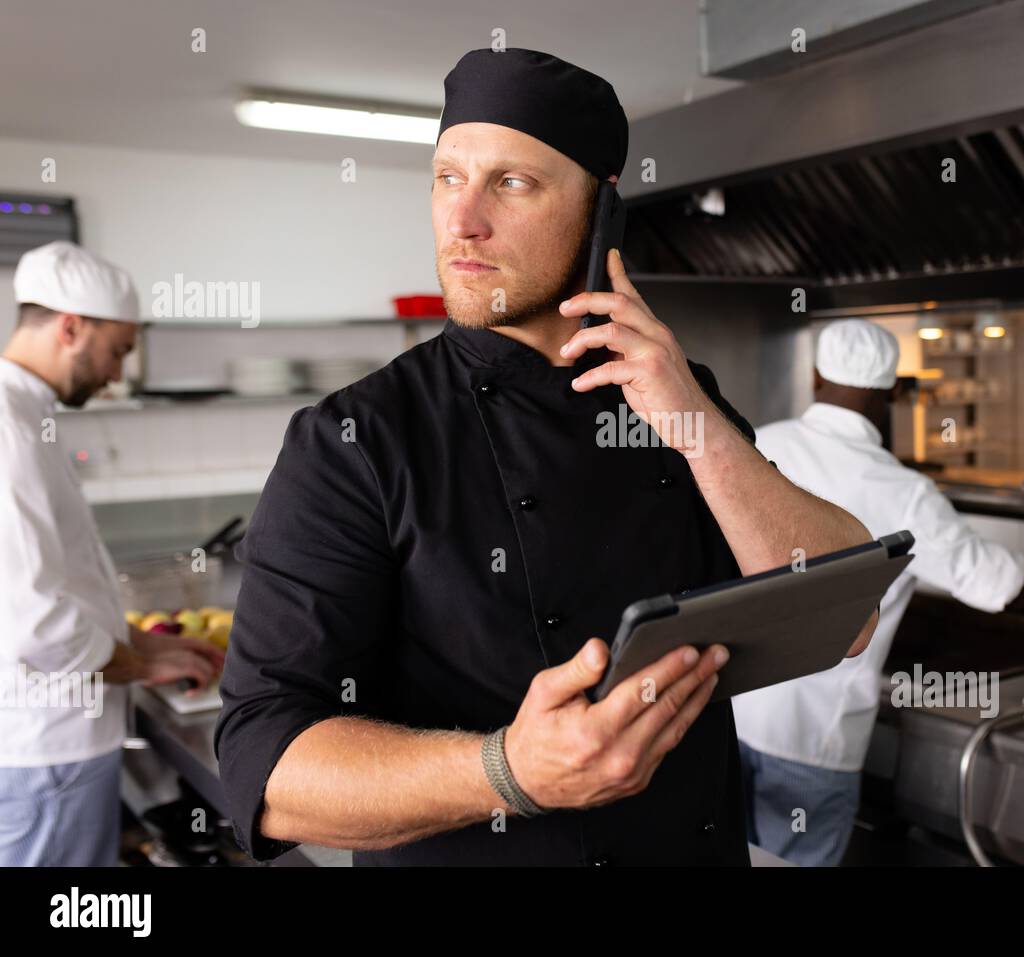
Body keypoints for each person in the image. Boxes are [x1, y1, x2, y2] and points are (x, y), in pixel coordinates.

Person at [215, 48, 876, 867]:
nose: (463, 220)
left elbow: (846, 615)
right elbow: (265, 764)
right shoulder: (355, 441)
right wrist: (509, 771)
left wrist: (696, 423)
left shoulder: (676, 393)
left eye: (513, 182)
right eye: (447, 178)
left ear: (602, 213)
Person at [731, 319, 1024, 866]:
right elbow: (1003, 586)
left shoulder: (754, 446)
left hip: (727, 717)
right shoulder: (903, 492)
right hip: (811, 741)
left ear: (816, 376)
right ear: (896, 392)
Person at [0, 241, 222, 866]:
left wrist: (147, 645)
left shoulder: (25, 415)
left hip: (55, 749)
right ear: (71, 328)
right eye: (118, 351)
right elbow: (35, 624)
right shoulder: (9, 429)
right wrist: (140, 666)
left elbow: (58, 585)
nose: (117, 375)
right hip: (47, 750)